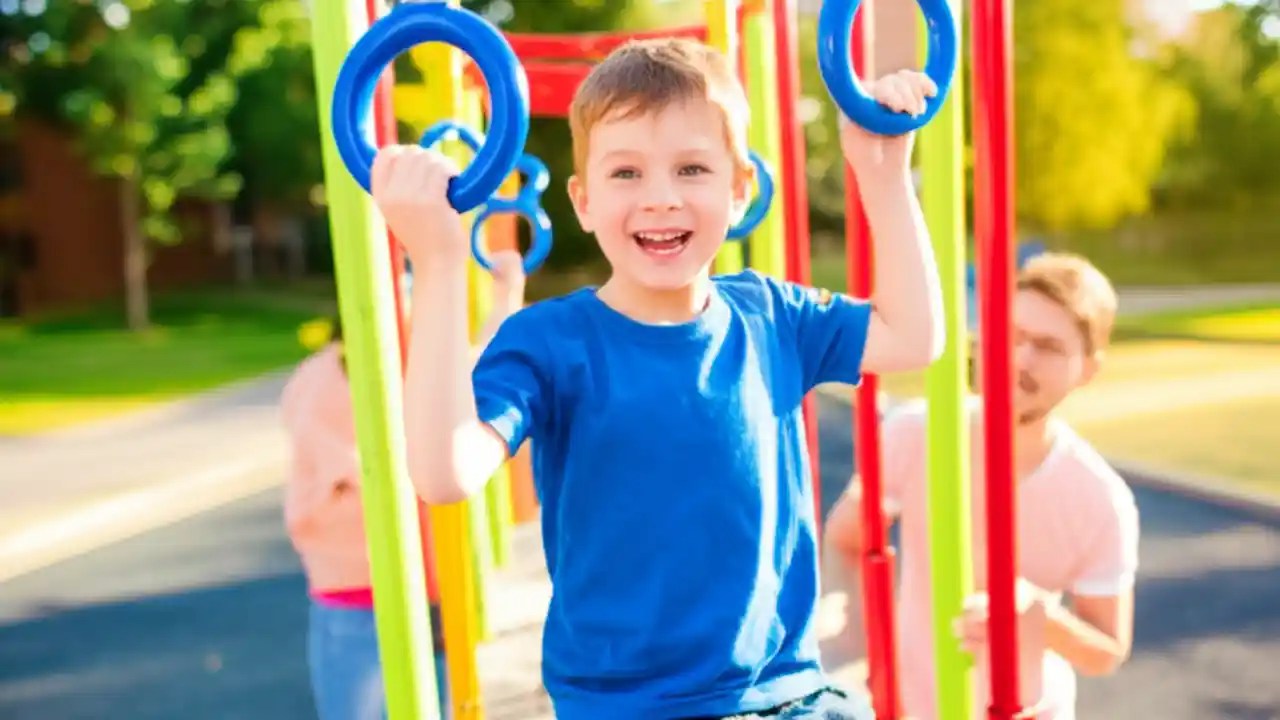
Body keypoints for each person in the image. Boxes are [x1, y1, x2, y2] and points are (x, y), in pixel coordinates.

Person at [374, 37, 944, 720]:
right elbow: (445, 473)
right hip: (630, 705)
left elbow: (914, 337)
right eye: (627, 173)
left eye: (691, 169)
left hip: (784, 693)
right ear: (583, 201)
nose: (661, 199)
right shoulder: (551, 344)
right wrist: (438, 264)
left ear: (740, 190)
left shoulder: (772, 316)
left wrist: (883, 177)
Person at [825, 252, 1140, 720]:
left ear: (1088, 368)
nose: (1020, 357)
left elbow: (1107, 650)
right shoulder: (917, 433)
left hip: (1030, 710)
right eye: (1011, 335)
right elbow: (844, 539)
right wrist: (857, 654)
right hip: (911, 706)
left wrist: (1041, 617)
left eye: (1048, 347)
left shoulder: (1100, 499)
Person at [281, 252, 527, 720]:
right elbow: (368, 471)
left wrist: (505, 294)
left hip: (430, 588)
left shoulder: (417, 368)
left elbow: (483, 368)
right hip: (360, 593)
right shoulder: (322, 382)